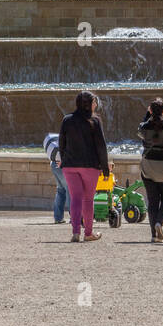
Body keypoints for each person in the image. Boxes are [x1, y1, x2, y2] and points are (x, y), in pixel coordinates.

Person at [58, 91, 111, 243]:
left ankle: (75, 232)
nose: (96, 104)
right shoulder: (94, 121)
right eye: (94, 102)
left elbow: (62, 142)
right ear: (89, 104)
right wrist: (105, 167)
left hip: (70, 165)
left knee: (75, 198)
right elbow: (101, 145)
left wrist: (64, 159)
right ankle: (88, 233)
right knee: (88, 200)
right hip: (90, 166)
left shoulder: (67, 120)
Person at [138, 98, 163, 242]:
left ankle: (154, 235)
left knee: (153, 201)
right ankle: (159, 223)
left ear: (150, 110)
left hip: (148, 164)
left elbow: (141, 130)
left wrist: (148, 115)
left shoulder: (144, 127)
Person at [43, 131, 67, 223]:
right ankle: (74, 217)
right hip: (63, 165)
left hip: (54, 164)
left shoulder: (57, 140)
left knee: (61, 190)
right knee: (70, 190)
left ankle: (58, 218)